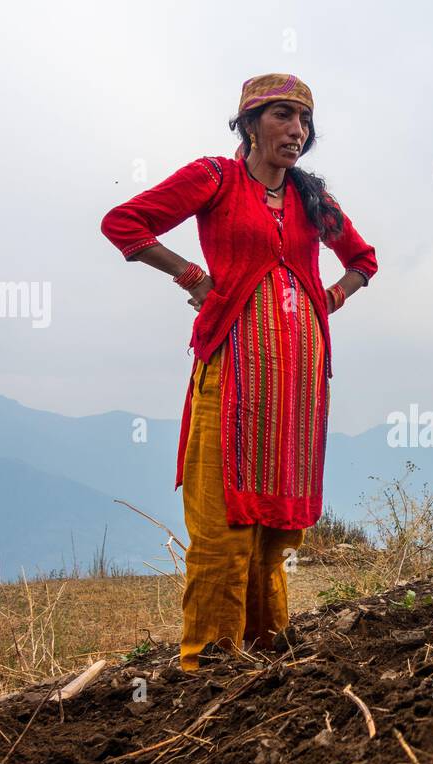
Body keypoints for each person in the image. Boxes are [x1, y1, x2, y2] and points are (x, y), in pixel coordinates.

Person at [100, 73, 378, 671]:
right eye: (282, 116)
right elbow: (124, 223)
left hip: (298, 383)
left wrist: (329, 298)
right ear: (249, 124)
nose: (297, 131)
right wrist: (192, 277)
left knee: (274, 530)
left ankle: (265, 653)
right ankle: (207, 662)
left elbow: (363, 259)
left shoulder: (311, 199)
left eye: (304, 121)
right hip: (233, 373)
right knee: (224, 522)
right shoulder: (214, 179)